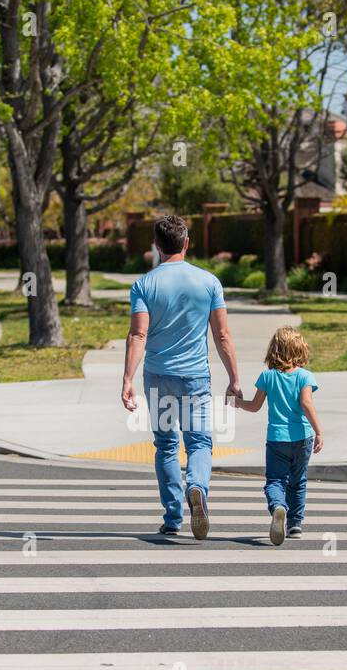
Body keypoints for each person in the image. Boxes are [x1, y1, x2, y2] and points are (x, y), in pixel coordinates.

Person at [121, 214, 242, 539]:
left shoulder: (144, 285)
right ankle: (198, 487)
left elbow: (138, 335)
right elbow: (223, 336)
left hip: (158, 375)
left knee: (166, 446)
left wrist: (127, 380)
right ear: (186, 243)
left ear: (157, 246)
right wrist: (234, 378)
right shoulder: (209, 282)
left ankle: (173, 516)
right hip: (195, 377)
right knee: (200, 442)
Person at [234, 325, 323, 545]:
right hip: (302, 438)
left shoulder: (267, 376)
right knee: (298, 481)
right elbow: (306, 404)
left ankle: (278, 506)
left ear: (274, 350)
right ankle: (295, 524)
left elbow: (255, 406)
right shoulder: (305, 376)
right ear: (300, 349)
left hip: (276, 439)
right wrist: (319, 431)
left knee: (275, 480)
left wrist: (235, 402)